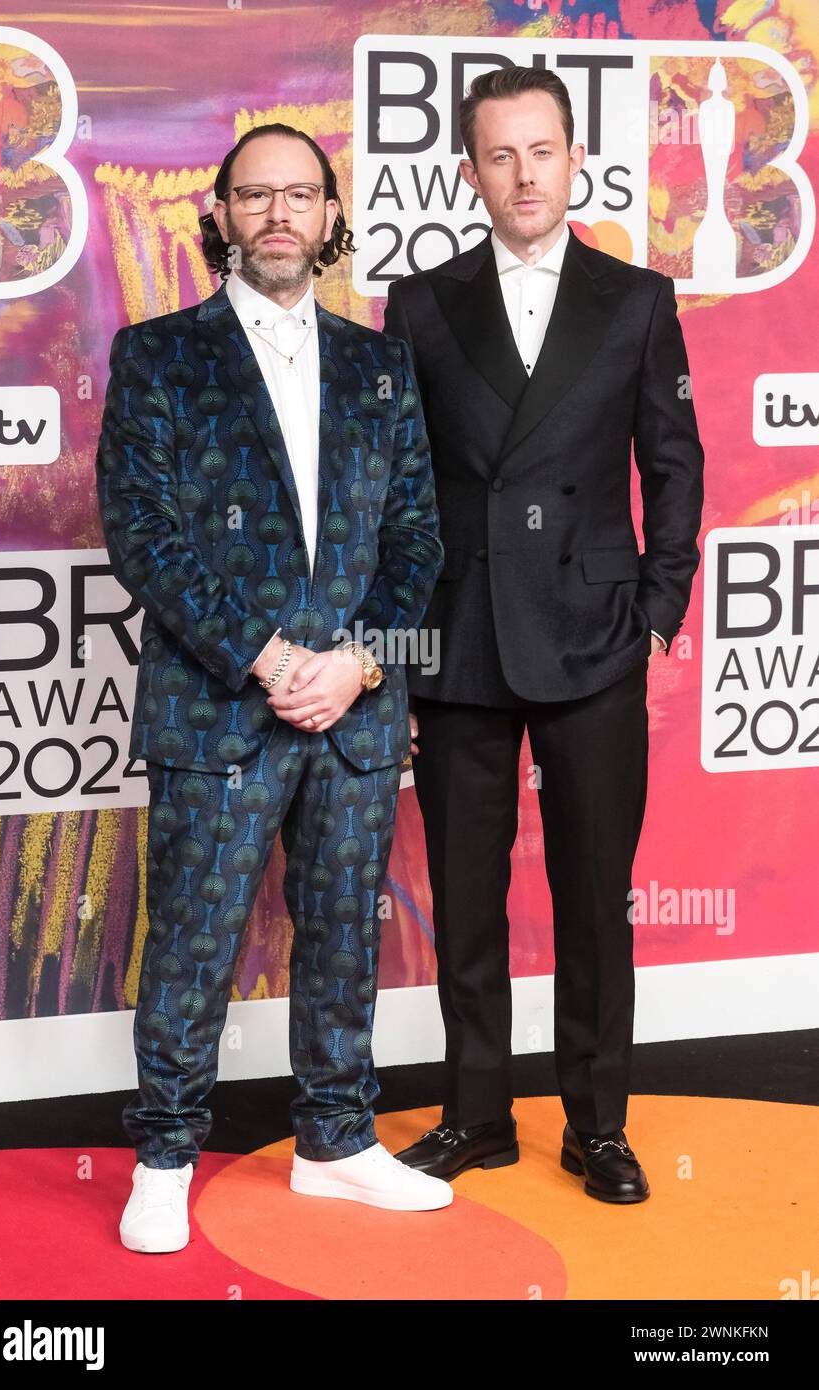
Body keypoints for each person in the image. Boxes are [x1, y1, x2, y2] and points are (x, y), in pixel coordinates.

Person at [96, 123, 450, 1252]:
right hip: (220, 706)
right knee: (192, 940)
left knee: (345, 932)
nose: (280, 215)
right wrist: (264, 654)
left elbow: (415, 540)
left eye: (301, 194)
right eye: (256, 196)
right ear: (220, 216)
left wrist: (356, 662)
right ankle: (162, 1153)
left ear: (332, 216)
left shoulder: (380, 364)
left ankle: (336, 1140)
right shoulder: (157, 355)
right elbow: (141, 533)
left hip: (355, 709)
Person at [384, 67, 704, 1203]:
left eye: (541, 151)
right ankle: (476, 1115)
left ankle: (598, 1123)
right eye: (499, 155)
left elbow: (672, 461)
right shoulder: (419, 305)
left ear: (575, 160)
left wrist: (659, 607)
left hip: (591, 638)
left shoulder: (633, 298)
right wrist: (401, 640)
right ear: (467, 172)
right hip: (459, 638)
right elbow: (397, 484)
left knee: (591, 895)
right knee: (468, 901)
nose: (523, 175)